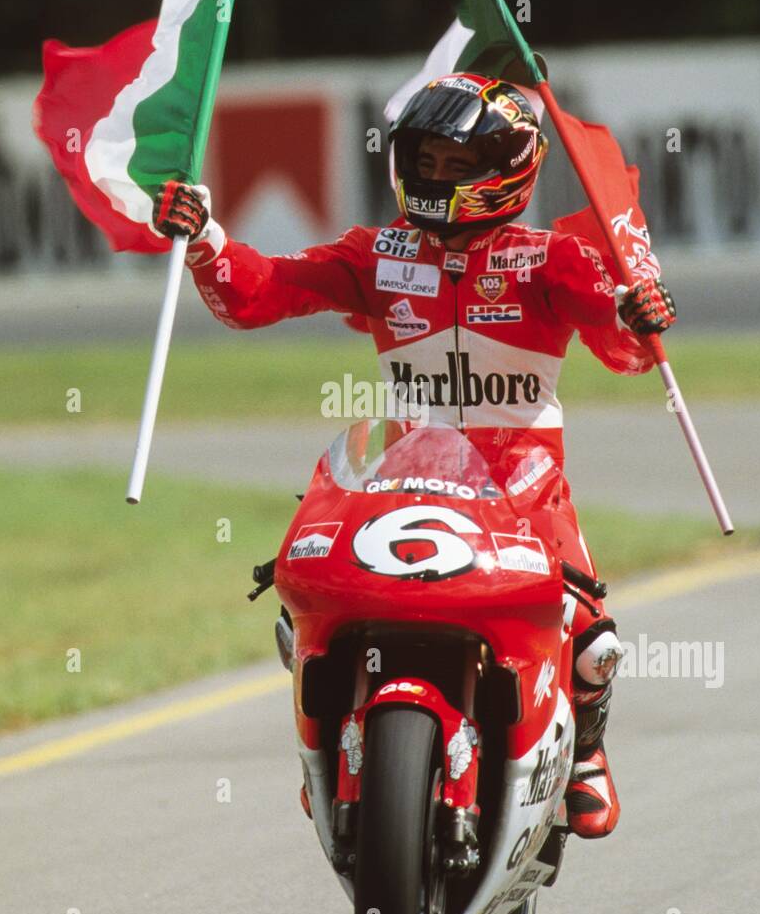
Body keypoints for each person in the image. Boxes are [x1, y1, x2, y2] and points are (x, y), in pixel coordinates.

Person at [150, 72, 676, 838]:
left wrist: (636, 314)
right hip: (408, 478)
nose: (435, 177)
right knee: (312, 597)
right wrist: (205, 238)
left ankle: (585, 753)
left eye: (455, 164)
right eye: (424, 161)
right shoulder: (374, 253)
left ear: (505, 170)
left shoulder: (550, 260)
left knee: (593, 640)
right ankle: (332, 740)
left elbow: (623, 349)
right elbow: (257, 294)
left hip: (524, 486)